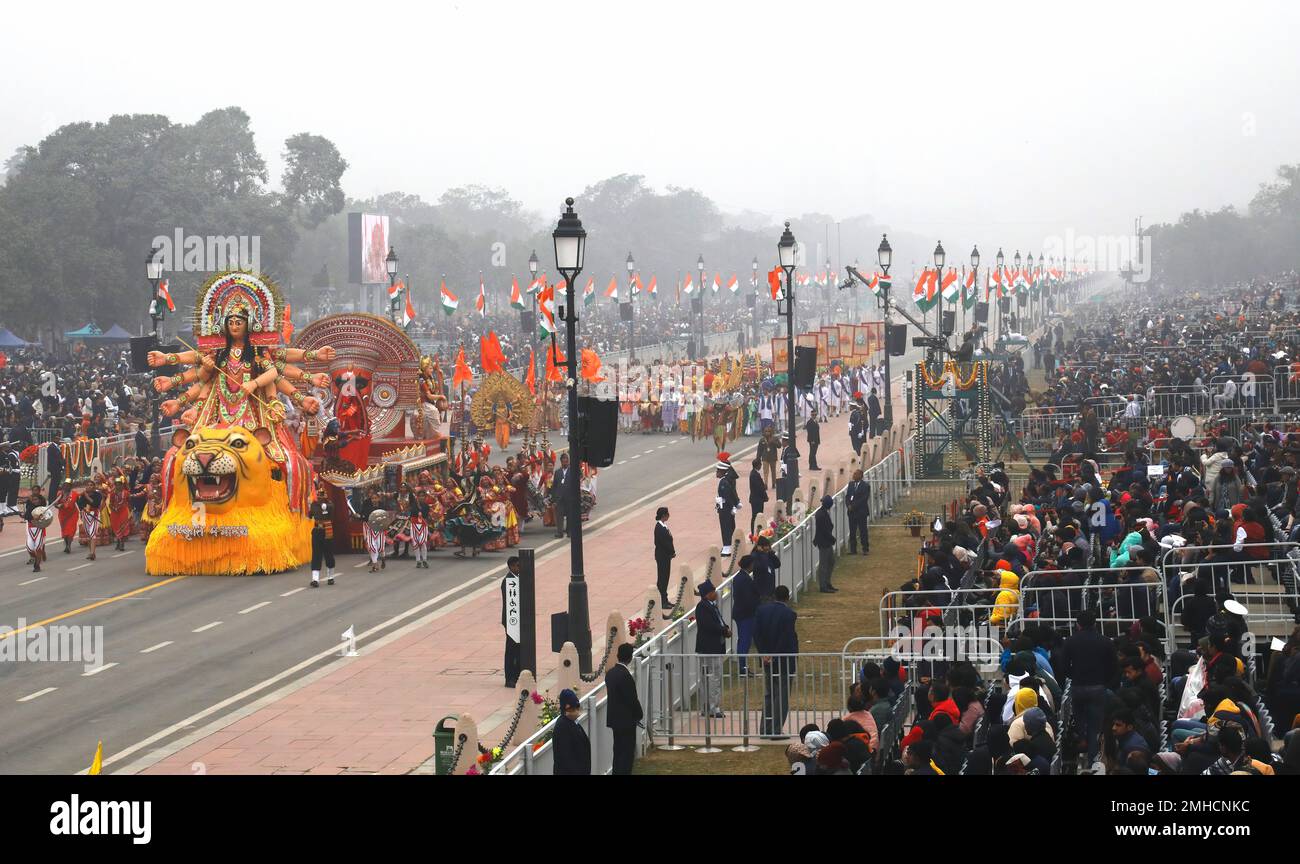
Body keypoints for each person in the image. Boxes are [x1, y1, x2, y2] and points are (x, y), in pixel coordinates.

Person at [1059, 609, 1116, 765]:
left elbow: (1063, 666)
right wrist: (1104, 680)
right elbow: (1113, 666)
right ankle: (1093, 759)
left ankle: (1082, 741)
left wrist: (1074, 675)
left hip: (1078, 687)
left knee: (1080, 719)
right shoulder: (1105, 641)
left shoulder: (1070, 641)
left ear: (1078, 625)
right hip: (1098, 687)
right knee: (1095, 725)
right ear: (1095, 623)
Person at [755, 585, 798, 737]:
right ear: (787, 598)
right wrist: (773, 654)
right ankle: (775, 729)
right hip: (783, 661)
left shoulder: (761, 611)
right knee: (782, 695)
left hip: (767, 659)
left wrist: (764, 653)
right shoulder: (789, 614)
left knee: (769, 694)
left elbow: (757, 634)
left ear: (774, 596)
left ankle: (765, 728)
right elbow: (786, 638)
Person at [693, 579, 730, 718]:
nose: (716, 593)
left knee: (712, 678)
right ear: (707, 594)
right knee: (712, 678)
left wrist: (724, 629)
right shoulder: (703, 607)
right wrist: (723, 631)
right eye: (713, 591)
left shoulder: (711, 606)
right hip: (709, 649)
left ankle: (709, 707)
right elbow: (709, 625)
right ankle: (712, 708)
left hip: (714, 648)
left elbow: (718, 622)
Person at [605, 643, 643, 775]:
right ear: (630, 658)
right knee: (626, 754)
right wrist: (639, 714)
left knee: (618, 751)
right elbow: (632, 699)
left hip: (615, 721)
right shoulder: (625, 676)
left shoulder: (610, 674)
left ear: (618, 655)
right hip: (626, 722)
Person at [731, 555, 761, 675]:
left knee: (743, 641)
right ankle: (743, 668)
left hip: (743, 613)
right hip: (745, 614)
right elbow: (747, 598)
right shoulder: (743, 579)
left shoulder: (741, 577)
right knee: (745, 641)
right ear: (749, 565)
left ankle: (743, 666)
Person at [552, 688, 591, 775]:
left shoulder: (572, 723)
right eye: (573, 709)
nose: (576, 712)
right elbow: (567, 758)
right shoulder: (562, 727)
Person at [501, 556, 523, 688]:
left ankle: (517, 675)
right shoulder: (508, 581)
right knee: (511, 650)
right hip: (511, 621)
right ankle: (510, 678)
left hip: (518, 620)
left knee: (518, 650)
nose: (520, 568)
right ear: (512, 567)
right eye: (518, 566)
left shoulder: (518, 579)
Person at [308, 483, 336, 588]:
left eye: (322, 496)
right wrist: (308, 506)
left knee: (328, 554)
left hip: (327, 530)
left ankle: (331, 577)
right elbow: (310, 515)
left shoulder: (330, 505)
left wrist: (326, 506)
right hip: (317, 530)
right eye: (319, 495)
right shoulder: (314, 504)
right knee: (316, 554)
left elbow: (331, 511)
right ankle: (315, 579)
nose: (320, 498)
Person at [714, 452, 740, 556]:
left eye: (718, 471)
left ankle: (727, 548)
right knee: (729, 526)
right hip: (725, 507)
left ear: (722, 471)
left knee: (726, 528)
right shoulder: (724, 480)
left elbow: (728, 496)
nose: (716, 472)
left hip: (725, 509)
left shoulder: (724, 482)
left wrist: (733, 506)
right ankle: (729, 546)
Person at [653, 506, 675, 615]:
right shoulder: (659, 528)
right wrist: (672, 552)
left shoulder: (663, 526)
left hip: (665, 556)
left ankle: (665, 599)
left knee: (665, 577)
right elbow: (664, 543)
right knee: (662, 578)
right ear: (663, 515)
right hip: (663, 556)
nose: (669, 515)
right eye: (667, 514)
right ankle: (662, 600)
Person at [813, 494, 837, 592]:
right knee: (823, 564)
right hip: (823, 542)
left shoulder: (823, 512)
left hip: (826, 541)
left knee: (831, 562)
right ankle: (823, 586)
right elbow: (824, 530)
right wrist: (832, 539)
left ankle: (827, 582)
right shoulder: (821, 514)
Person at [845, 468, 870, 555]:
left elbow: (863, 499)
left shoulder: (865, 486)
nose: (853, 475)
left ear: (860, 476)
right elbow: (847, 496)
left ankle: (865, 548)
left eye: (855, 474)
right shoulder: (851, 484)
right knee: (852, 531)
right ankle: (853, 549)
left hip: (861, 512)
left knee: (863, 531)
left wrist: (853, 506)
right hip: (851, 513)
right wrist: (848, 505)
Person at [24, 487, 48, 573]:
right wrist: (32, 517)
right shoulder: (30, 507)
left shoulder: (43, 508)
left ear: (39, 500)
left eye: (36, 499)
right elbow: (26, 516)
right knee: (29, 548)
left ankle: (37, 565)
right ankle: (38, 557)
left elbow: (48, 518)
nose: (35, 501)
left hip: (39, 529)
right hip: (31, 529)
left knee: (38, 547)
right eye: (33, 500)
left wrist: (40, 517)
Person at [751, 534, 781, 599]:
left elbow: (777, 564)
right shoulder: (755, 556)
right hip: (762, 591)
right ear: (760, 547)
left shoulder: (768, 555)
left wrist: (771, 554)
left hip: (771, 589)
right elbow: (763, 566)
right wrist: (762, 553)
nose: (767, 548)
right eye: (766, 546)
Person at [551, 452, 572, 539]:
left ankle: (569, 531)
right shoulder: (557, 472)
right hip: (559, 498)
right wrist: (554, 499)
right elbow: (554, 486)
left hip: (570, 497)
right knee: (559, 516)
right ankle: (560, 532)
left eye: (566, 461)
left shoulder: (573, 471)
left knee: (570, 516)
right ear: (561, 462)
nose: (565, 463)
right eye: (563, 461)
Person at [748, 457, 768, 535]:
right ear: (758, 465)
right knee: (756, 517)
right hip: (757, 500)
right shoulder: (754, 475)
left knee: (757, 516)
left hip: (757, 499)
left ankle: (757, 532)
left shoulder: (754, 473)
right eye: (760, 465)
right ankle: (754, 533)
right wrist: (765, 495)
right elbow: (759, 488)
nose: (761, 466)